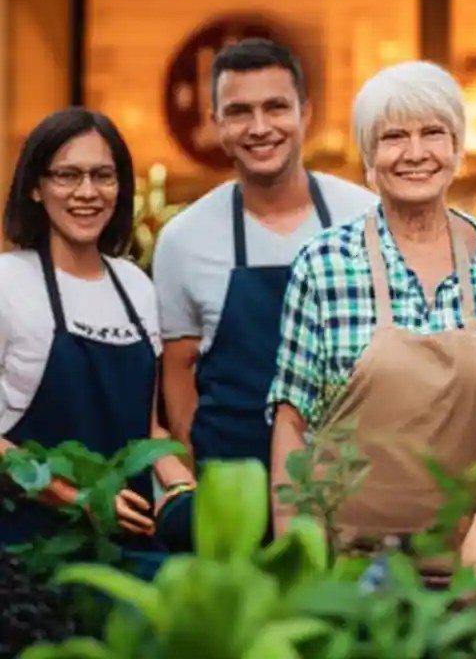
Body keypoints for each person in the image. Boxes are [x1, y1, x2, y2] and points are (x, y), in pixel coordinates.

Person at [267, 61, 476, 590]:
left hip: (473, 562)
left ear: (457, 148)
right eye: (394, 137)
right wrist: (298, 559)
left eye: (433, 134)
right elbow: (291, 420)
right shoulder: (325, 262)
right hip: (349, 570)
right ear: (369, 160)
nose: (416, 152)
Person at [151, 39, 378, 487]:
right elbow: (178, 374)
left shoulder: (366, 218)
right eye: (239, 112)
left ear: (305, 114)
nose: (259, 127)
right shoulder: (183, 239)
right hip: (234, 486)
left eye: (276, 107)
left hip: (352, 485)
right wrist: (201, 478)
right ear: (216, 123)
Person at [0, 108, 195, 578]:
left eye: (102, 176)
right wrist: (80, 498)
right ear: (35, 186)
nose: (86, 192)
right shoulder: (9, 283)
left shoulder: (136, 286)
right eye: (67, 175)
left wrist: (188, 492)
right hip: (28, 553)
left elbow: (149, 431)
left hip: (124, 549)